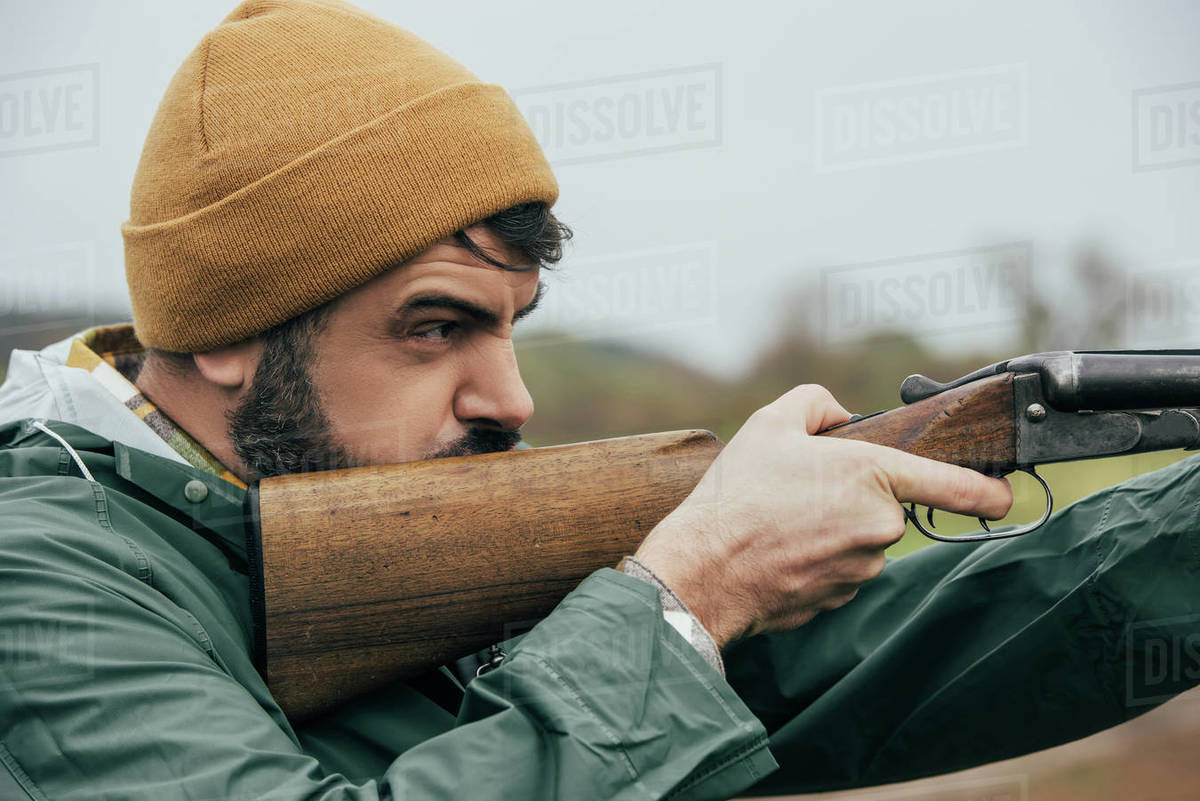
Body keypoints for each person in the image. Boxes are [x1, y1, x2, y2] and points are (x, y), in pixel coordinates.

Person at [0, 1, 1196, 799]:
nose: (510, 396)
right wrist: (687, 596)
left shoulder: (381, 527)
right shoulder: (37, 574)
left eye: (511, 325)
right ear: (224, 335)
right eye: (435, 327)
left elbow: (901, 651)